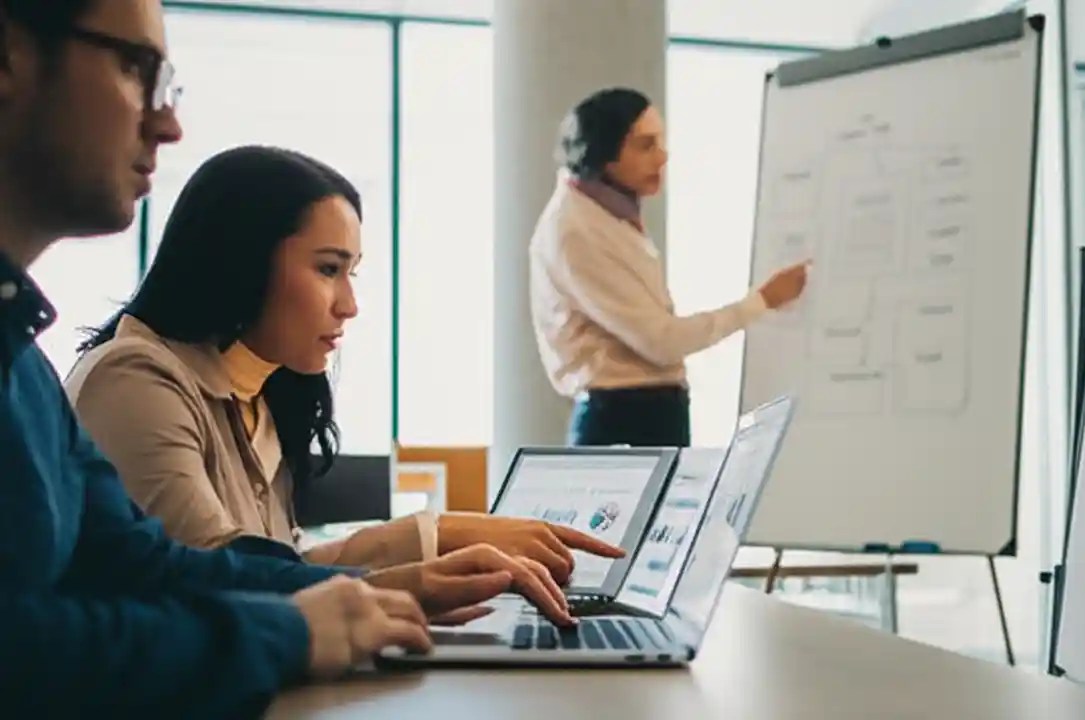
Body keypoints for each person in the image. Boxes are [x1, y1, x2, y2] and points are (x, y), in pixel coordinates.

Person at [0, 1, 566, 716]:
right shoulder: (132, 378)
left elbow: (149, 565)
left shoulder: (24, 365)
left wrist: (390, 587)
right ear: (10, 53)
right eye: (135, 68)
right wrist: (292, 627)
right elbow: (25, 645)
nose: (168, 123)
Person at [66, 144, 624, 588]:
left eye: (351, 272)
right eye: (329, 269)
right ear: (241, 261)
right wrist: (424, 572)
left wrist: (440, 538)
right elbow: (219, 576)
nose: (349, 305)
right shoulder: (136, 380)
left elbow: (283, 562)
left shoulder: (256, 396)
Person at [529, 87, 809, 448]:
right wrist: (760, 303)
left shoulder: (608, 215)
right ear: (604, 153)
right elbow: (661, 341)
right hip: (623, 420)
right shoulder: (576, 229)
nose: (662, 157)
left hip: (643, 413)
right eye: (646, 145)